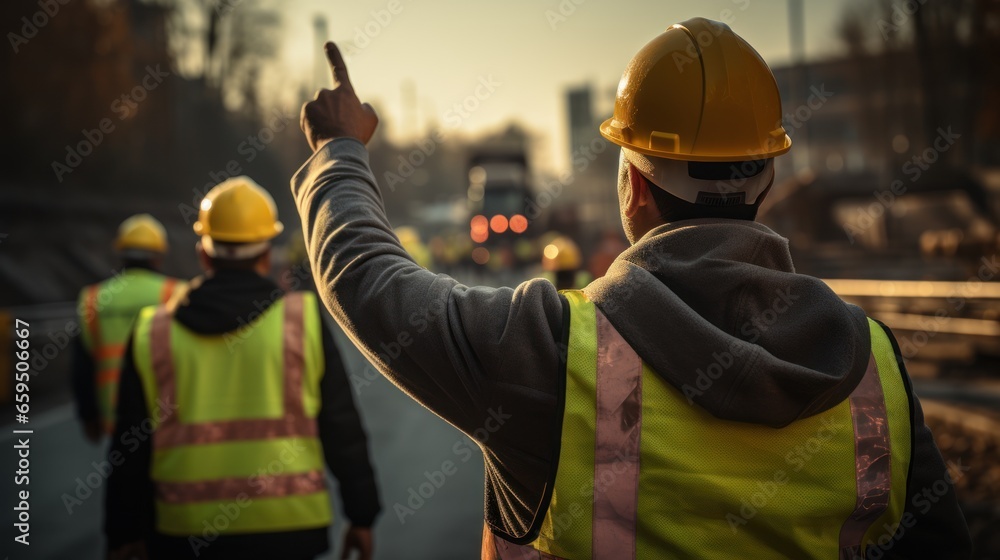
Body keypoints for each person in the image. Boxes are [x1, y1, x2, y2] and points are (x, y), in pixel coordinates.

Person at [293, 18, 972, 559]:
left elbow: (366, 277)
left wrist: (338, 151)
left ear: (634, 187)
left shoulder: (551, 352)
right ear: (766, 181)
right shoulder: (876, 369)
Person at [104, 177, 380, 560]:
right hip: (290, 529)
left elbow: (129, 446)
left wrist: (123, 532)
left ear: (203, 254)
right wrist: (362, 515)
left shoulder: (153, 331)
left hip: (184, 532)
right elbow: (341, 426)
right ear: (267, 255)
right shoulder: (303, 320)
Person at [73, 214, 182, 441]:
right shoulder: (176, 293)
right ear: (159, 256)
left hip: (115, 416)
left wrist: (88, 416)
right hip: (165, 413)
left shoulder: (92, 299)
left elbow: (82, 366)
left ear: (120, 253)